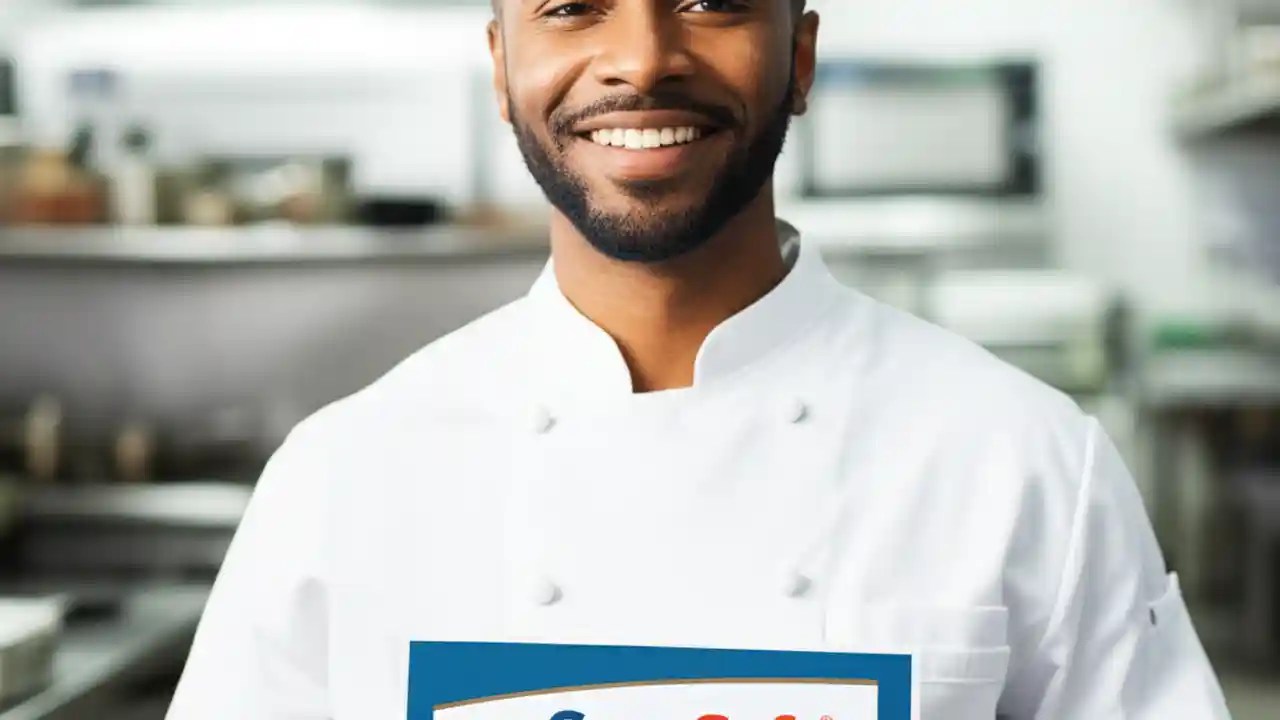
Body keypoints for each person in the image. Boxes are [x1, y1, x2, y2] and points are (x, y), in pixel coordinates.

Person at [167, 1, 1232, 718]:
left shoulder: (1025, 459)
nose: (642, 57)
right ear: (499, 66)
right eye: (572, 2)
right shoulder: (341, 478)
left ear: (798, 58)